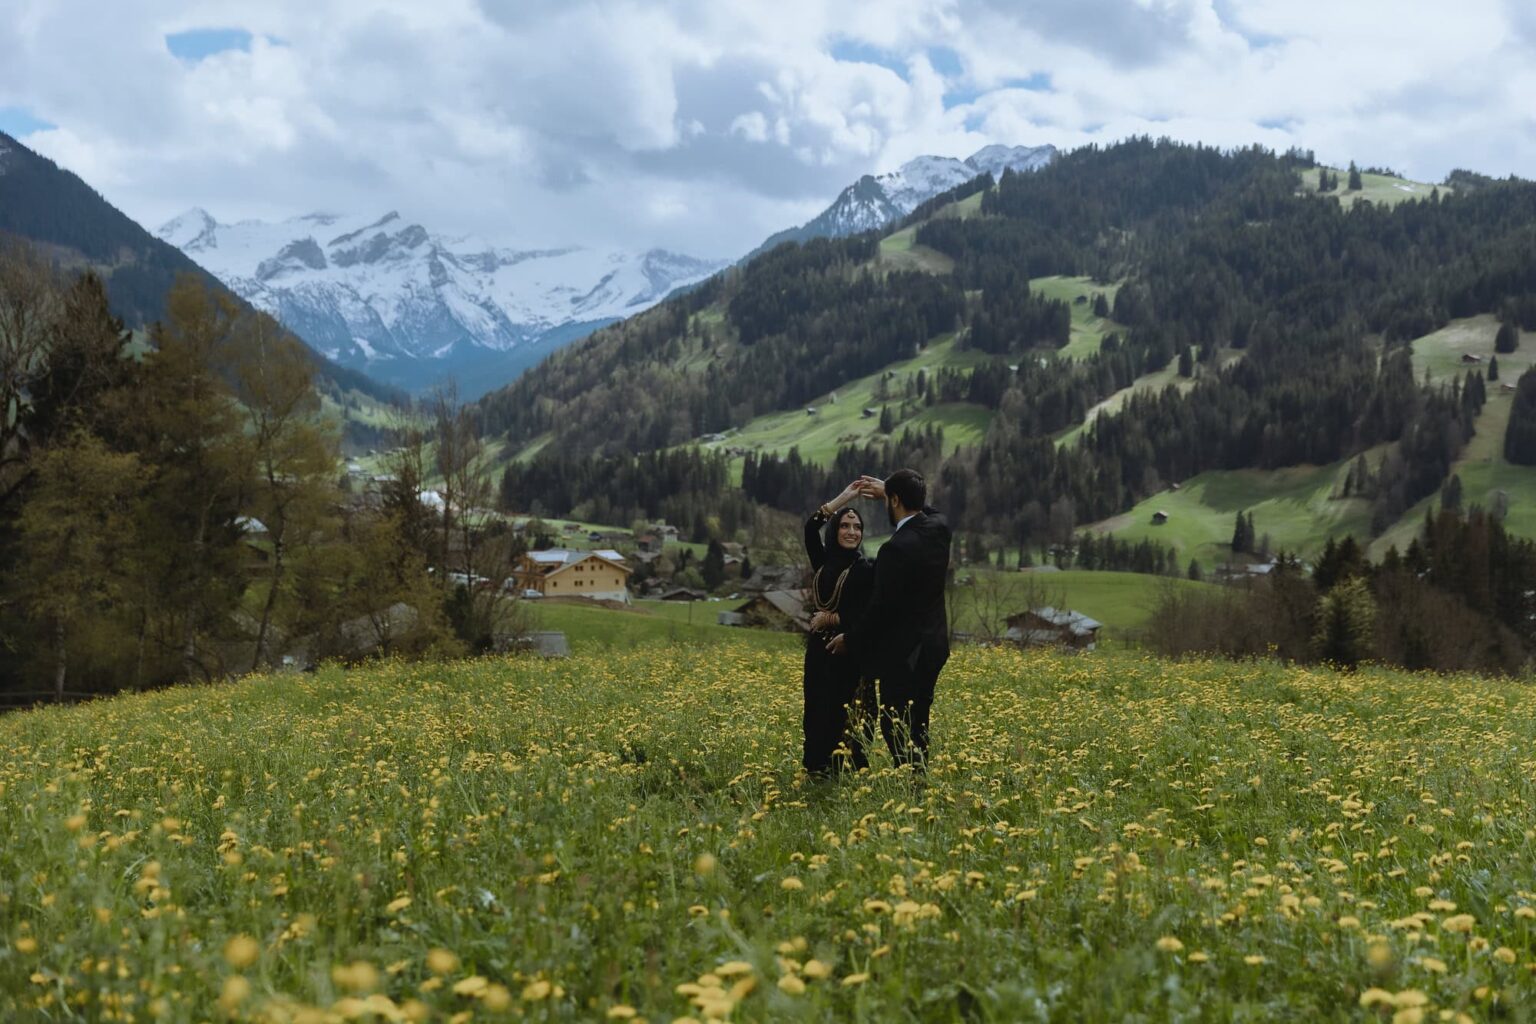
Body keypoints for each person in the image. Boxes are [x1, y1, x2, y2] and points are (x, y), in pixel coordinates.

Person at [827, 469, 951, 771]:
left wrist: (851, 639)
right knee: (919, 718)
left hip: (905, 654)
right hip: (934, 647)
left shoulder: (895, 549)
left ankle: (914, 780)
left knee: (893, 722)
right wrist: (893, 491)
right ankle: (919, 777)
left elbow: (881, 608)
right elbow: (930, 511)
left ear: (894, 500)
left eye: (889, 499)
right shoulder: (939, 528)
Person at [801, 482, 875, 776]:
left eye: (857, 527)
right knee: (816, 708)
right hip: (818, 652)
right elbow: (810, 529)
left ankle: (844, 770)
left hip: (847, 649)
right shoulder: (823, 561)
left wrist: (831, 619)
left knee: (843, 710)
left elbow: (869, 612)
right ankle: (817, 768)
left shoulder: (864, 569)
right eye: (845, 525)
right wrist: (845, 498)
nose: (851, 532)